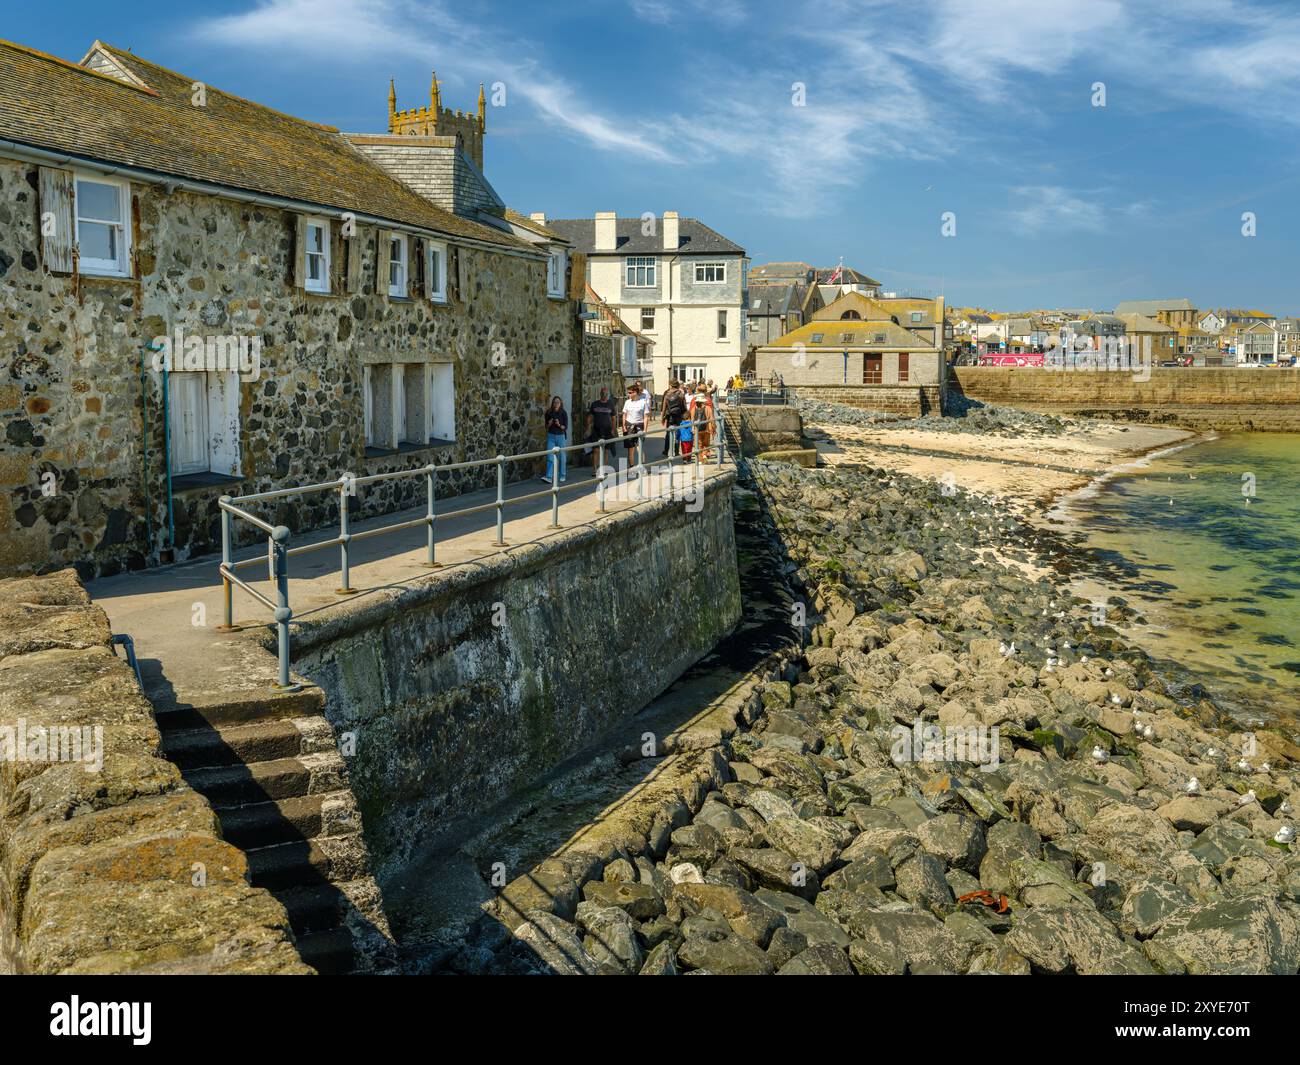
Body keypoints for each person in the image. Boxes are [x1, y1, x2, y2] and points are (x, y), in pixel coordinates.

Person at [584, 387, 616, 473]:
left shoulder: (611, 404)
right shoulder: (595, 404)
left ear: (608, 394)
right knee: (596, 450)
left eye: (606, 394)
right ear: (600, 394)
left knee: (606, 450)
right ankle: (595, 469)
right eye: (603, 393)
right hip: (596, 430)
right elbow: (590, 417)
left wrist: (613, 430)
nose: (604, 395)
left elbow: (613, 418)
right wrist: (587, 429)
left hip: (607, 431)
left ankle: (604, 469)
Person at [621, 381, 650, 469]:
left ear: (635, 392)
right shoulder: (627, 402)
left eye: (630, 393)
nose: (628, 394)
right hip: (629, 426)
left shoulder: (643, 402)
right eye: (628, 393)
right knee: (630, 448)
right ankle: (631, 467)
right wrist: (624, 427)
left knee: (639, 447)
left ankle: (642, 466)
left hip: (639, 425)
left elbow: (646, 417)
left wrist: (645, 430)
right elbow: (624, 415)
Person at [542, 395, 568, 483]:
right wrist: (549, 423)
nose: (556, 404)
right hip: (551, 436)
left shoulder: (563, 413)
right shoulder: (549, 413)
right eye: (554, 402)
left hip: (561, 436)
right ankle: (549, 476)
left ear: (560, 404)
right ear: (552, 403)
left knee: (562, 457)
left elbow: (565, 427)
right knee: (550, 456)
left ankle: (562, 475)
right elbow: (546, 427)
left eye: (558, 402)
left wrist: (559, 425)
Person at [661, 378, 687, 457]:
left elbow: (664, 408)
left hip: (670, 416)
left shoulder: (667, 394)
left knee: (668, 434)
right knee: (678, 434)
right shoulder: (681, 394)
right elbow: (685, 407)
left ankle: (666, 451)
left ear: (671, 385)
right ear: (677, 385)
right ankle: (676, 452)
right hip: (679, 416)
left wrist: (663, 418)